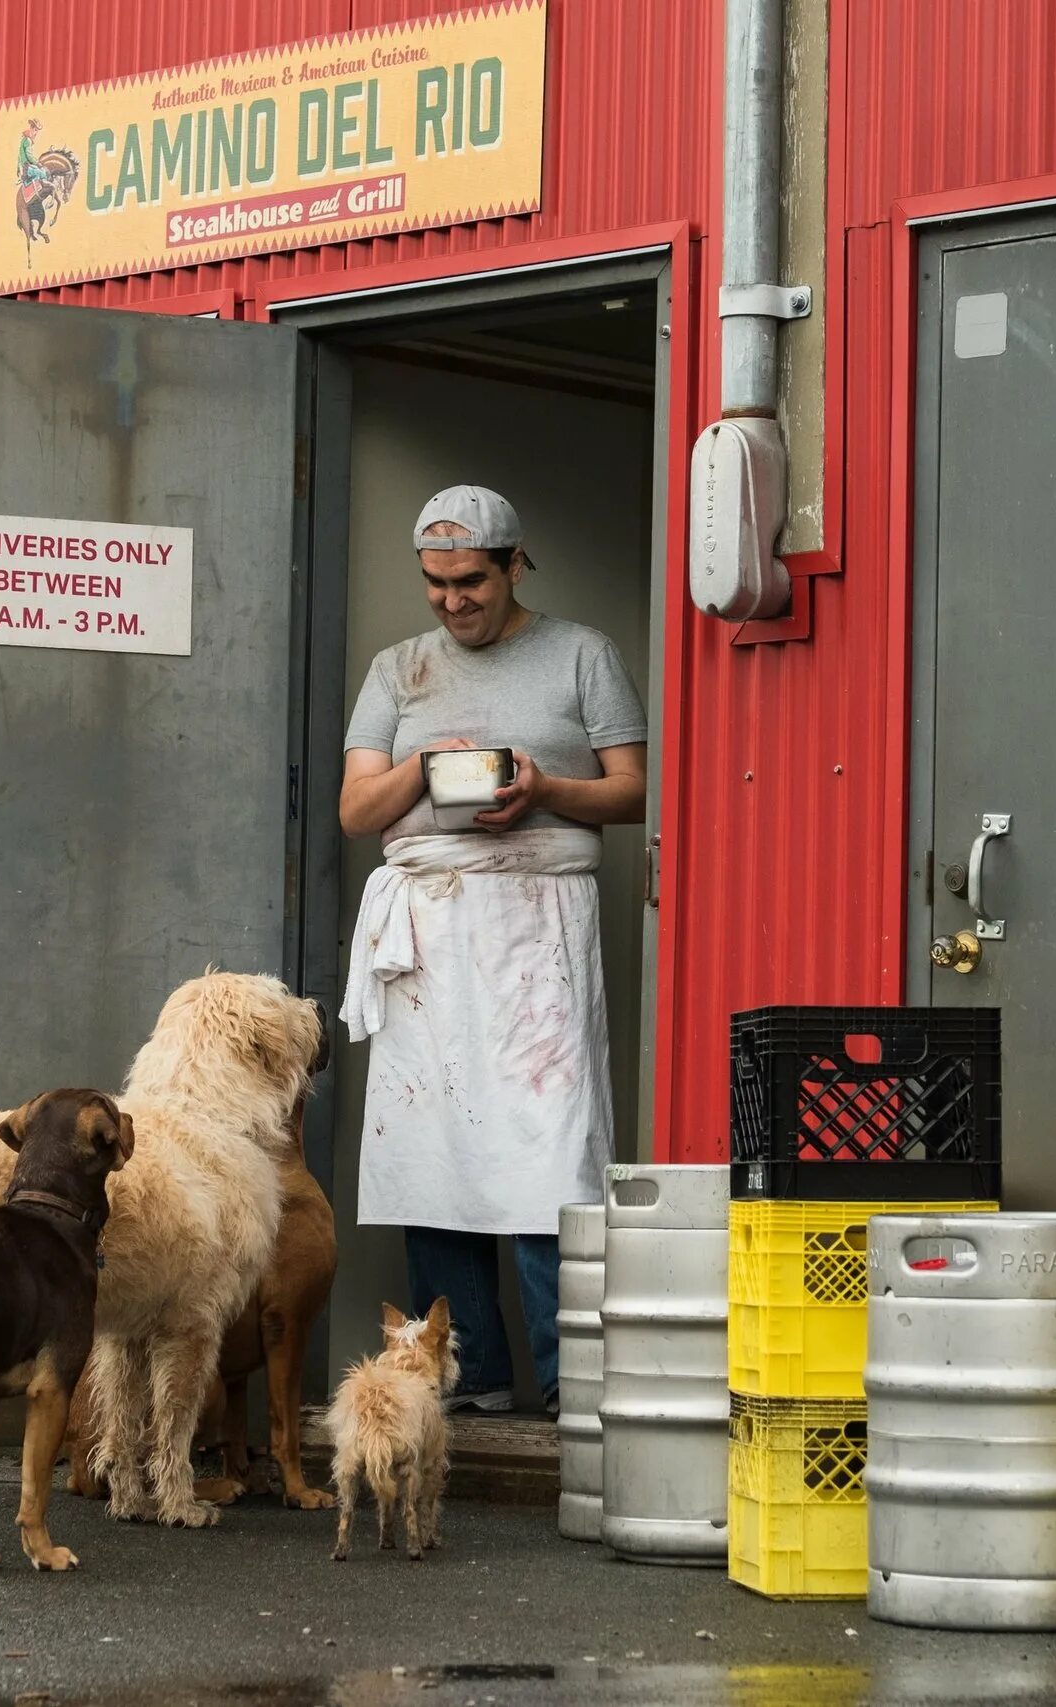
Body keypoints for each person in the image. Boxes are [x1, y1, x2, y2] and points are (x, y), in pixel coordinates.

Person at [339, 485, 647, 1413]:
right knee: (433, 1145)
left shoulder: (584, 653)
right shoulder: (400, 670)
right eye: (435, 584)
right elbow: (358, 812)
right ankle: (467, 1377)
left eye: (470, 580)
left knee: (551, 1149)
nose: (452, 601)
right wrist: (426, 767)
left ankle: (569, 1380)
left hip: (537, 924)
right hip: (431, 925)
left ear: (516, 564)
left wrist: (546, 786)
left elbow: (633, 792)